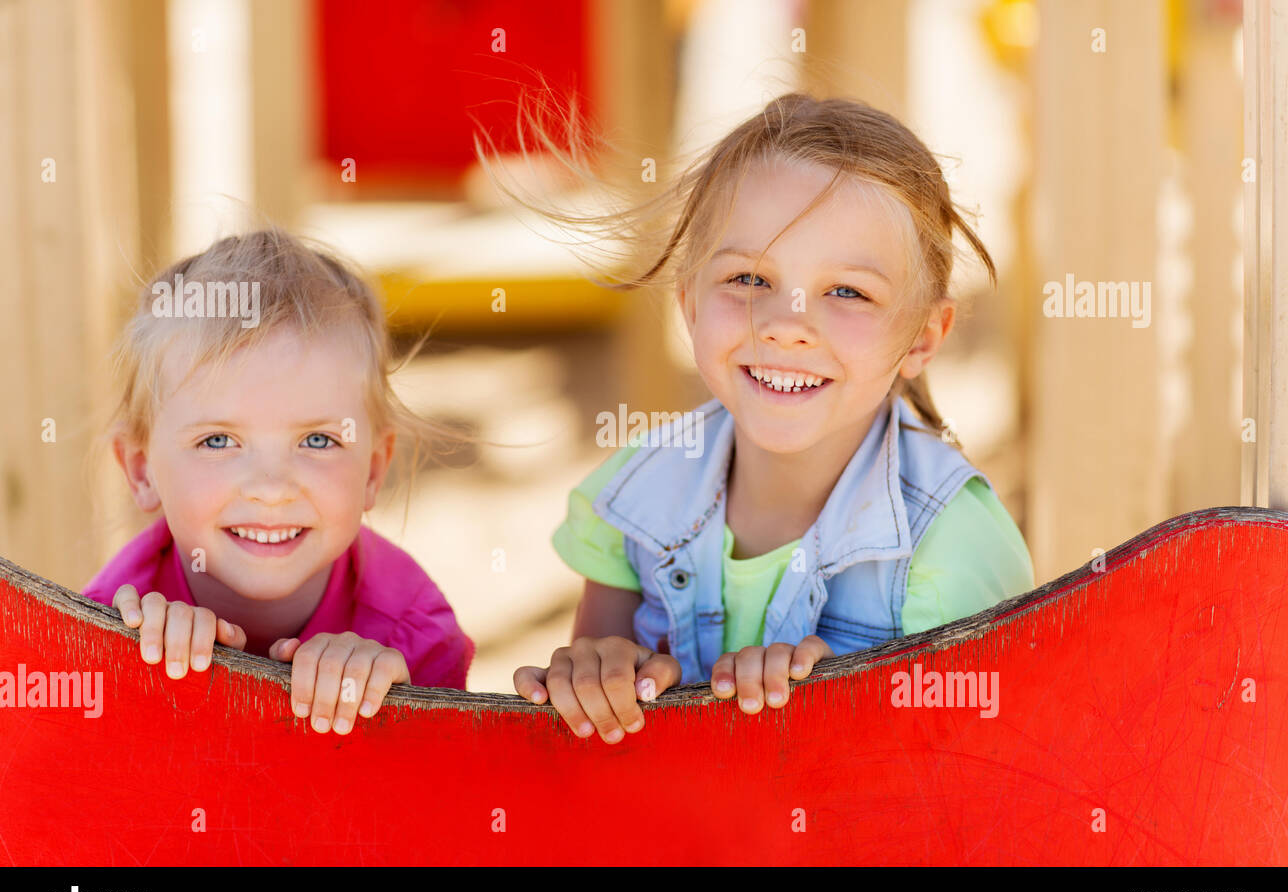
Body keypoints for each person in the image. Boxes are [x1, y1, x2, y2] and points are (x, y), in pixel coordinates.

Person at [507, 92, 1034, 743]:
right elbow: (589, 753)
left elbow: (992, 787)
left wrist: (835, 713)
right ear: (690, 303)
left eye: (847, 292)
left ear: (924, 338)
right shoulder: (636, 496)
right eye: (749, 279)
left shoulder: (953, 548)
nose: (787, 326)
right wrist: (599, 677)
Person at [83, 228, 474, 734]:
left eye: (317, 441)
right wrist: (142, 681)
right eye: (218, 441)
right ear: (142, 471)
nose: (271, 488)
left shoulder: (414, 631)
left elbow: (445, 793)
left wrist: (394, 709)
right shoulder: (98, 627)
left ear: (374, 470)